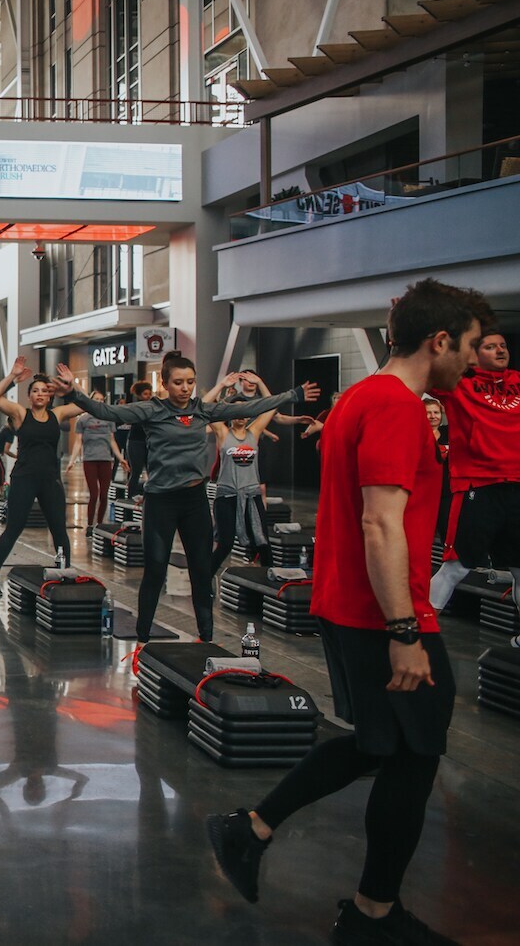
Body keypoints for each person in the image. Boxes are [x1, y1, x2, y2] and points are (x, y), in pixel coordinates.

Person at [206, 278, 489, 946]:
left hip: (348, 604)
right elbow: (380, 523)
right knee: (415, 755)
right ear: (439, 340)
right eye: (471, 346)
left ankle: (250, 830)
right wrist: (405, 631)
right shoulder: (394, 406)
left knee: (376, 744)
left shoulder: (361, 397)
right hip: (383, 612)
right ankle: (371, 914)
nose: (475, 360)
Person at [52, 356, 317, 643]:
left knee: (201, 572)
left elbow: (251, 407)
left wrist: (294, 394)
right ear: (165, 383)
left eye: (190, 382)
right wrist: (74, 392)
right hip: (160, 501)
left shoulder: (203, 410)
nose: (185, 388)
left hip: (194, 500)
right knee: (155, 571)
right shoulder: (151, 409)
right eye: (178, 382)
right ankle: (143, 639)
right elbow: (107, 411)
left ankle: (206, 639)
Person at [427, 328, 520, 636]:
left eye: (503, 345)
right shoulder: (459, 383)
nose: (500, 350)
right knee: (456, 567)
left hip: (517, 486)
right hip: (477, 486)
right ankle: (418, 636)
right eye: (491, 347)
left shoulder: (518, 381)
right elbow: (422, 369)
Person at [0, 357, 83, 595]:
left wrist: (73, 384)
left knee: (59, 530)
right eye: (35, 391)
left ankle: (65, 572)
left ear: (50, 396)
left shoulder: (58, 414)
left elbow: (86, 405)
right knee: (14, 528)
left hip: (50, 480)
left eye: (44, 391)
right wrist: (12, 376)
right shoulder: (20, 413)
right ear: (29, 396)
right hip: (24, 478)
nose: (40, 394)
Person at [201, 374, 285, 572]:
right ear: (230, 414)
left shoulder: (254, 431)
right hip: (227, 496)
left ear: (249, 413)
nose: (240, 415)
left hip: (251, 496)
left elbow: (271, 405)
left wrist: (260, 382)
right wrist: (222, 384)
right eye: (235, 411)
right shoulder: (222, 432)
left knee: (263, 542)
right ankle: (203, 581)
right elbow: (203, 407)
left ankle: (269, 580)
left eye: (244, 410)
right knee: (225, 545)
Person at [66, 389, 129, 529]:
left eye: (101, 400)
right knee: (94, 494)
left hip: (105, 460)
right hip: (90, 460)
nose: (99, 402)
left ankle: (100, 524)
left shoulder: (108, 419)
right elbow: (78, 442)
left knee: (104, 495)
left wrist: (121, 458)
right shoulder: (83, 420)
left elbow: (112, 440)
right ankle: (90, 525)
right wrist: (72, 461)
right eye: (96, 400)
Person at [125, 381, 153, 498]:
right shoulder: (135, 407)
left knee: (151, 470)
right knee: (136, 471)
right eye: (145, 394)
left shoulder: (152, 406)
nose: (148, 396)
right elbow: (128, 420)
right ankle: (131, 495)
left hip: (148, 441)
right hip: (135, 441)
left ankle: (150, 495)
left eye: (149, 394)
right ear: (139, 395)